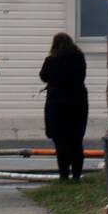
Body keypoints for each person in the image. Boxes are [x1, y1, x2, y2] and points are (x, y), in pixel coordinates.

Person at [39, 33, 88, 181]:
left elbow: (43, 76)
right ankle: (77, 174)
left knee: (61, 142)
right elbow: (82, 76)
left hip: (57, 105)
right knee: (76, 141)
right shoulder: (79, 58)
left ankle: (64, 174)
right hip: (77, 103)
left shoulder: (51, 60)